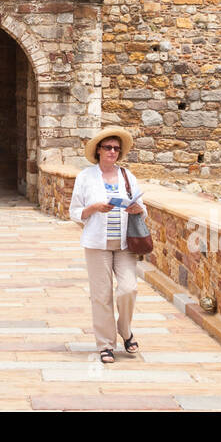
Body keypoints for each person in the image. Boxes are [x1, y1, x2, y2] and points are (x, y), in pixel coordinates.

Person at [69, 125, 144, 364]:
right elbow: (74, 212)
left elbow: (143, 209)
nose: (113, 152)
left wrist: (138, 208)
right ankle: (106, 345)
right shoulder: (85, 177)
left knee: (128, 288)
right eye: (108, 147)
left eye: (116, 149)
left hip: (124, 244)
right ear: (99, 151)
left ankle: (125, 329)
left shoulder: (127, 176)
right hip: (97, 244)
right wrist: (94, 208)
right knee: (101, 296)